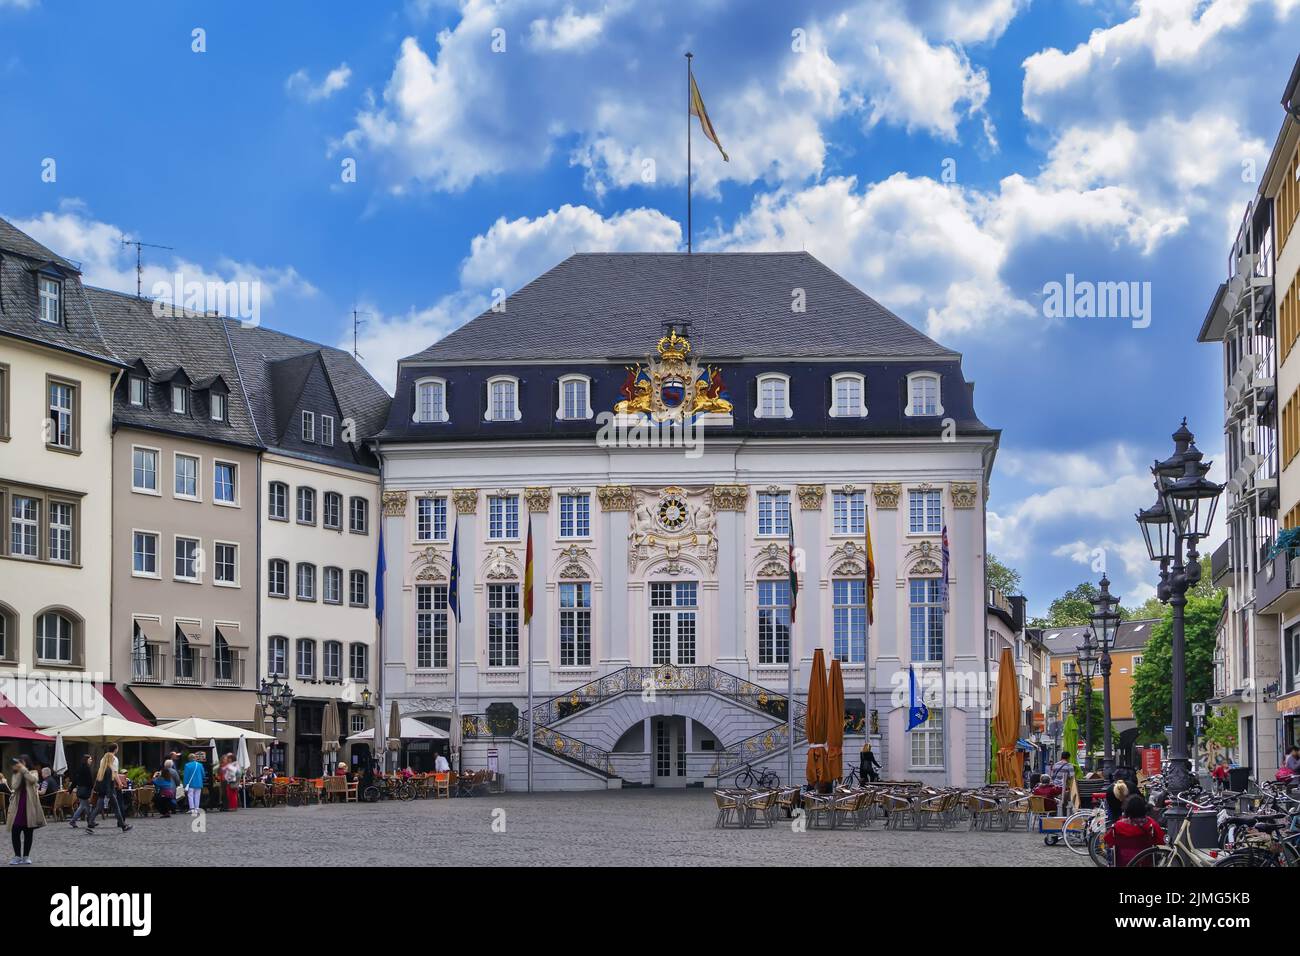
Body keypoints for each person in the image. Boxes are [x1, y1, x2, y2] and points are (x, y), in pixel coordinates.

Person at [1106, 794, 1165, 867]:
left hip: (1123, 862)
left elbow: (1109, 842)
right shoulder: (1151, 824)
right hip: (1145, 862)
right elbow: (1161, 841)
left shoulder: (1118, 825)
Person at [7, 756, 44, 864]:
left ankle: (26, 856)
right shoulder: (16, 773)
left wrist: (23, 770)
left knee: (28, 832)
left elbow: (34, 780)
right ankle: (17, 856)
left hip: (29, 806)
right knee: (15, 831)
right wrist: (19, 773)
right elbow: (14, 785)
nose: (20, 764)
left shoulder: (33, 772)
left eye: (22, 762)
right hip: (18, 806)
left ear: (26, 762)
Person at [86, 744, 131, 833]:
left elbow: (99, 782)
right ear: (110, 760)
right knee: (116, 808)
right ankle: (123, 825)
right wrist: (109, 794)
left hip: (102, 792)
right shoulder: (109, 770)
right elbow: (108, 783)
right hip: (109, 792)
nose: (114, 759)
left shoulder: (102, 769)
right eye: (113, 759)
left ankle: (90, 824)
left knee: (98, 808)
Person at [68, 755, 95, 829]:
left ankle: (91, 821)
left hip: (80, 790)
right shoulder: (87, 769)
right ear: (86, 760)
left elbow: (75, 780)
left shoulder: (79, 768)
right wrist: (93, 788)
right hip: (85, 790)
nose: (91, 760)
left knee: (86, 806)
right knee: (83, 806)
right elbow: (90, 780)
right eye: (90, 759)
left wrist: (71, 789)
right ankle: (73, 821)